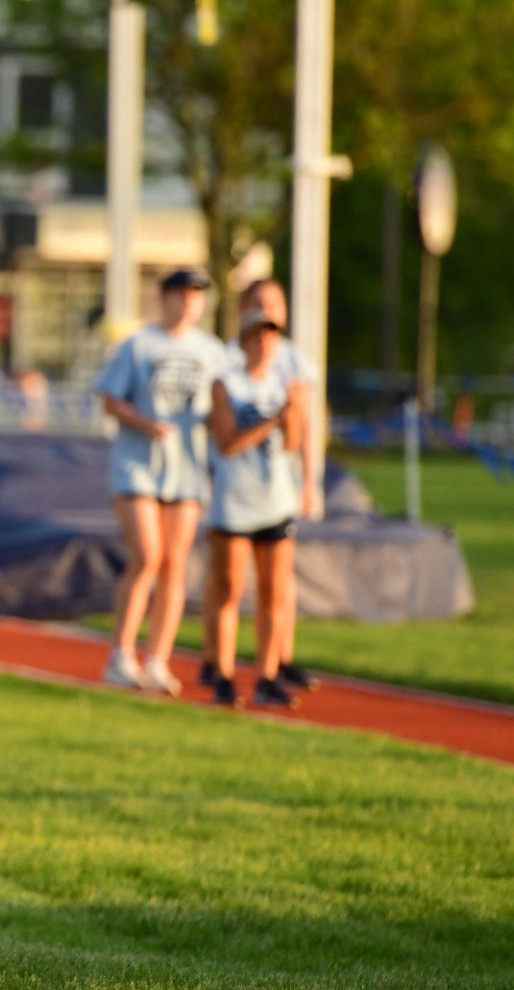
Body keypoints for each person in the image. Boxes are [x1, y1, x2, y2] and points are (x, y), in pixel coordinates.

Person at [94, 268, 226, 695]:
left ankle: (158, 660)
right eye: (181, 294)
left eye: (196, 295)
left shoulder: (212, 351)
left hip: (187, 469)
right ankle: (121, 654)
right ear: (163, 298)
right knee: (147, 556)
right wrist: (145, 422)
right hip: (139, 466)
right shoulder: (139, 345)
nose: (188, 303)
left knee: (174, 564)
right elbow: (110, 400)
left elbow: (222, 407)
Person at [200, 279, 319, 693]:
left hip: (275, 500)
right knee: (230, 588)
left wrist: (293, 416)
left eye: (270, 336)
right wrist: (272, 421)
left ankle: (268, 675)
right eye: (256, 336)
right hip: (235, 501)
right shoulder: (227, 384)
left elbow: (292, 443)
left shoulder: (287, 383)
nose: (264, 344)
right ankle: (222, 672)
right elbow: (228, 442)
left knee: (274, 592)